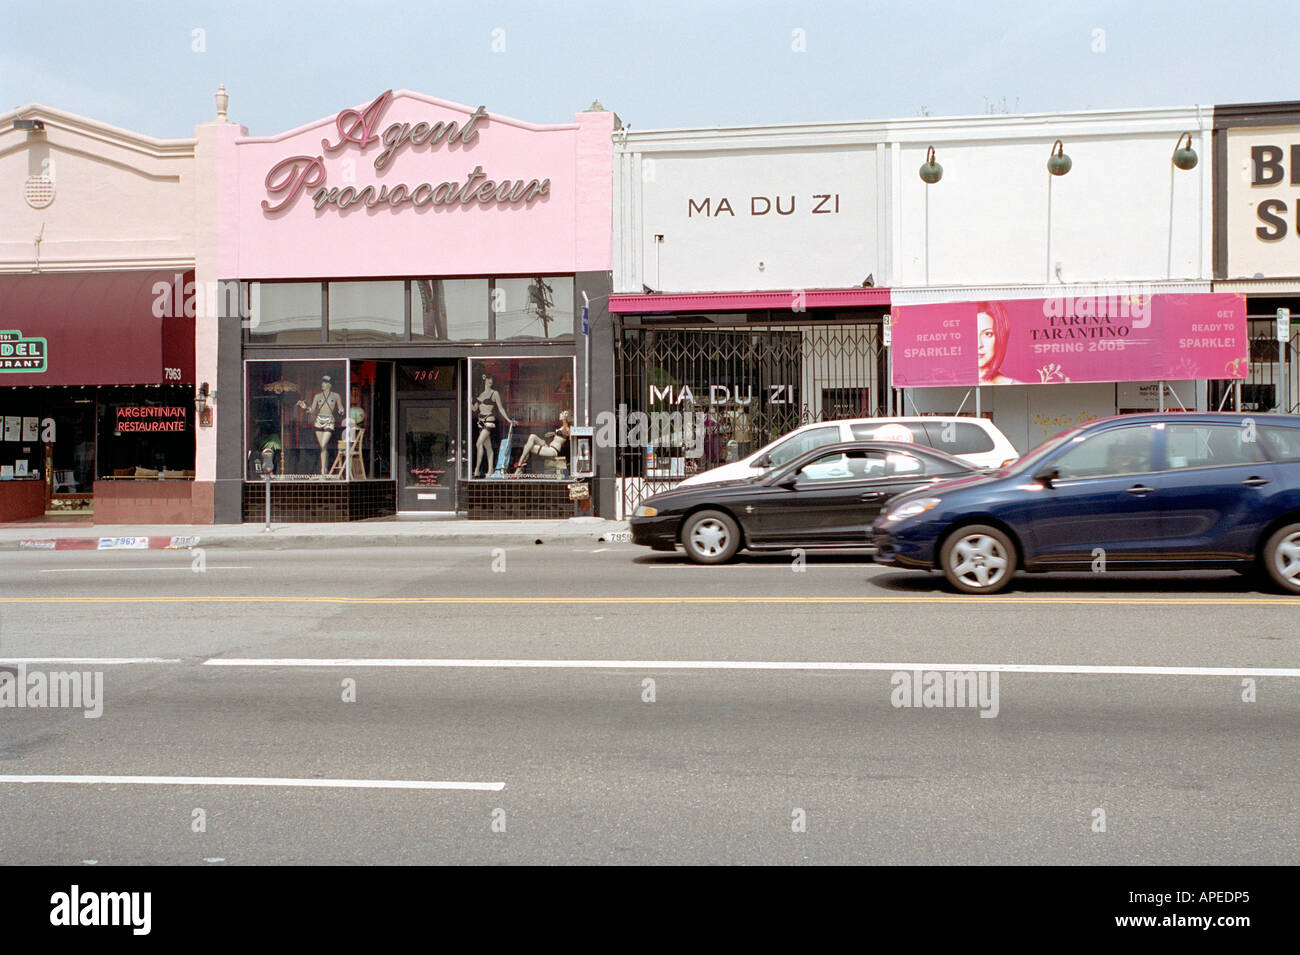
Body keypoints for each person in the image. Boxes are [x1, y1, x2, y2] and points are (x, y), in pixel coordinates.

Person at [296, 375, 345, 476]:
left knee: (323, 444)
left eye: (326, 382)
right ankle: (323, 469)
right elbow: (312, 410)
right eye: (322, 382)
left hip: (329, 421)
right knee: (323, 447)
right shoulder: (317, 396)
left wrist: (341, 411)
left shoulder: (336, 396)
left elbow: (340, 408)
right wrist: (305, 407)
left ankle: (324, 468)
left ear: (330, 385)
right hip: (318, 420)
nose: (323, 384)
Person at [472, 374, 513, 478]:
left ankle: (476, 469)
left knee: (478, 443)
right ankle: (490, 470)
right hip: (480, 422)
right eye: (489, 379)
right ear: (485, 380)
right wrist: (469, 399)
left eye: (492, 379)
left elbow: (501, 408)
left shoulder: (495, 393)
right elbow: (474, 409)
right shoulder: (480, 395)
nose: (491, 381)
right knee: (488, 447)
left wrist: (508, 420)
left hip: (489, 420)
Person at [976, 302, 1016, 385]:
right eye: (971, 334)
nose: (979, 344)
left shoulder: (1018, 387)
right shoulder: (948, 384)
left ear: (999, 337)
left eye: (987, 334)